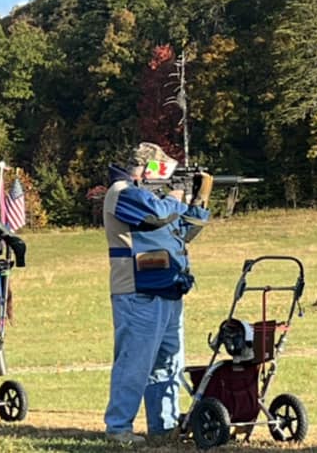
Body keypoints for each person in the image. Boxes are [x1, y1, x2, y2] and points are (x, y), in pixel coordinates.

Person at [102, 143, 210, 444]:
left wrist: (199, 202)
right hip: (138, 291)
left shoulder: (153, 199)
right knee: (134, 363)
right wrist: (177, 196)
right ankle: (119, 427)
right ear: (147, 169)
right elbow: (155, 215)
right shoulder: (123, 192)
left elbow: (183, 232)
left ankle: (163, 427)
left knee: (169, 363)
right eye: (162, 171)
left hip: (167, 288)